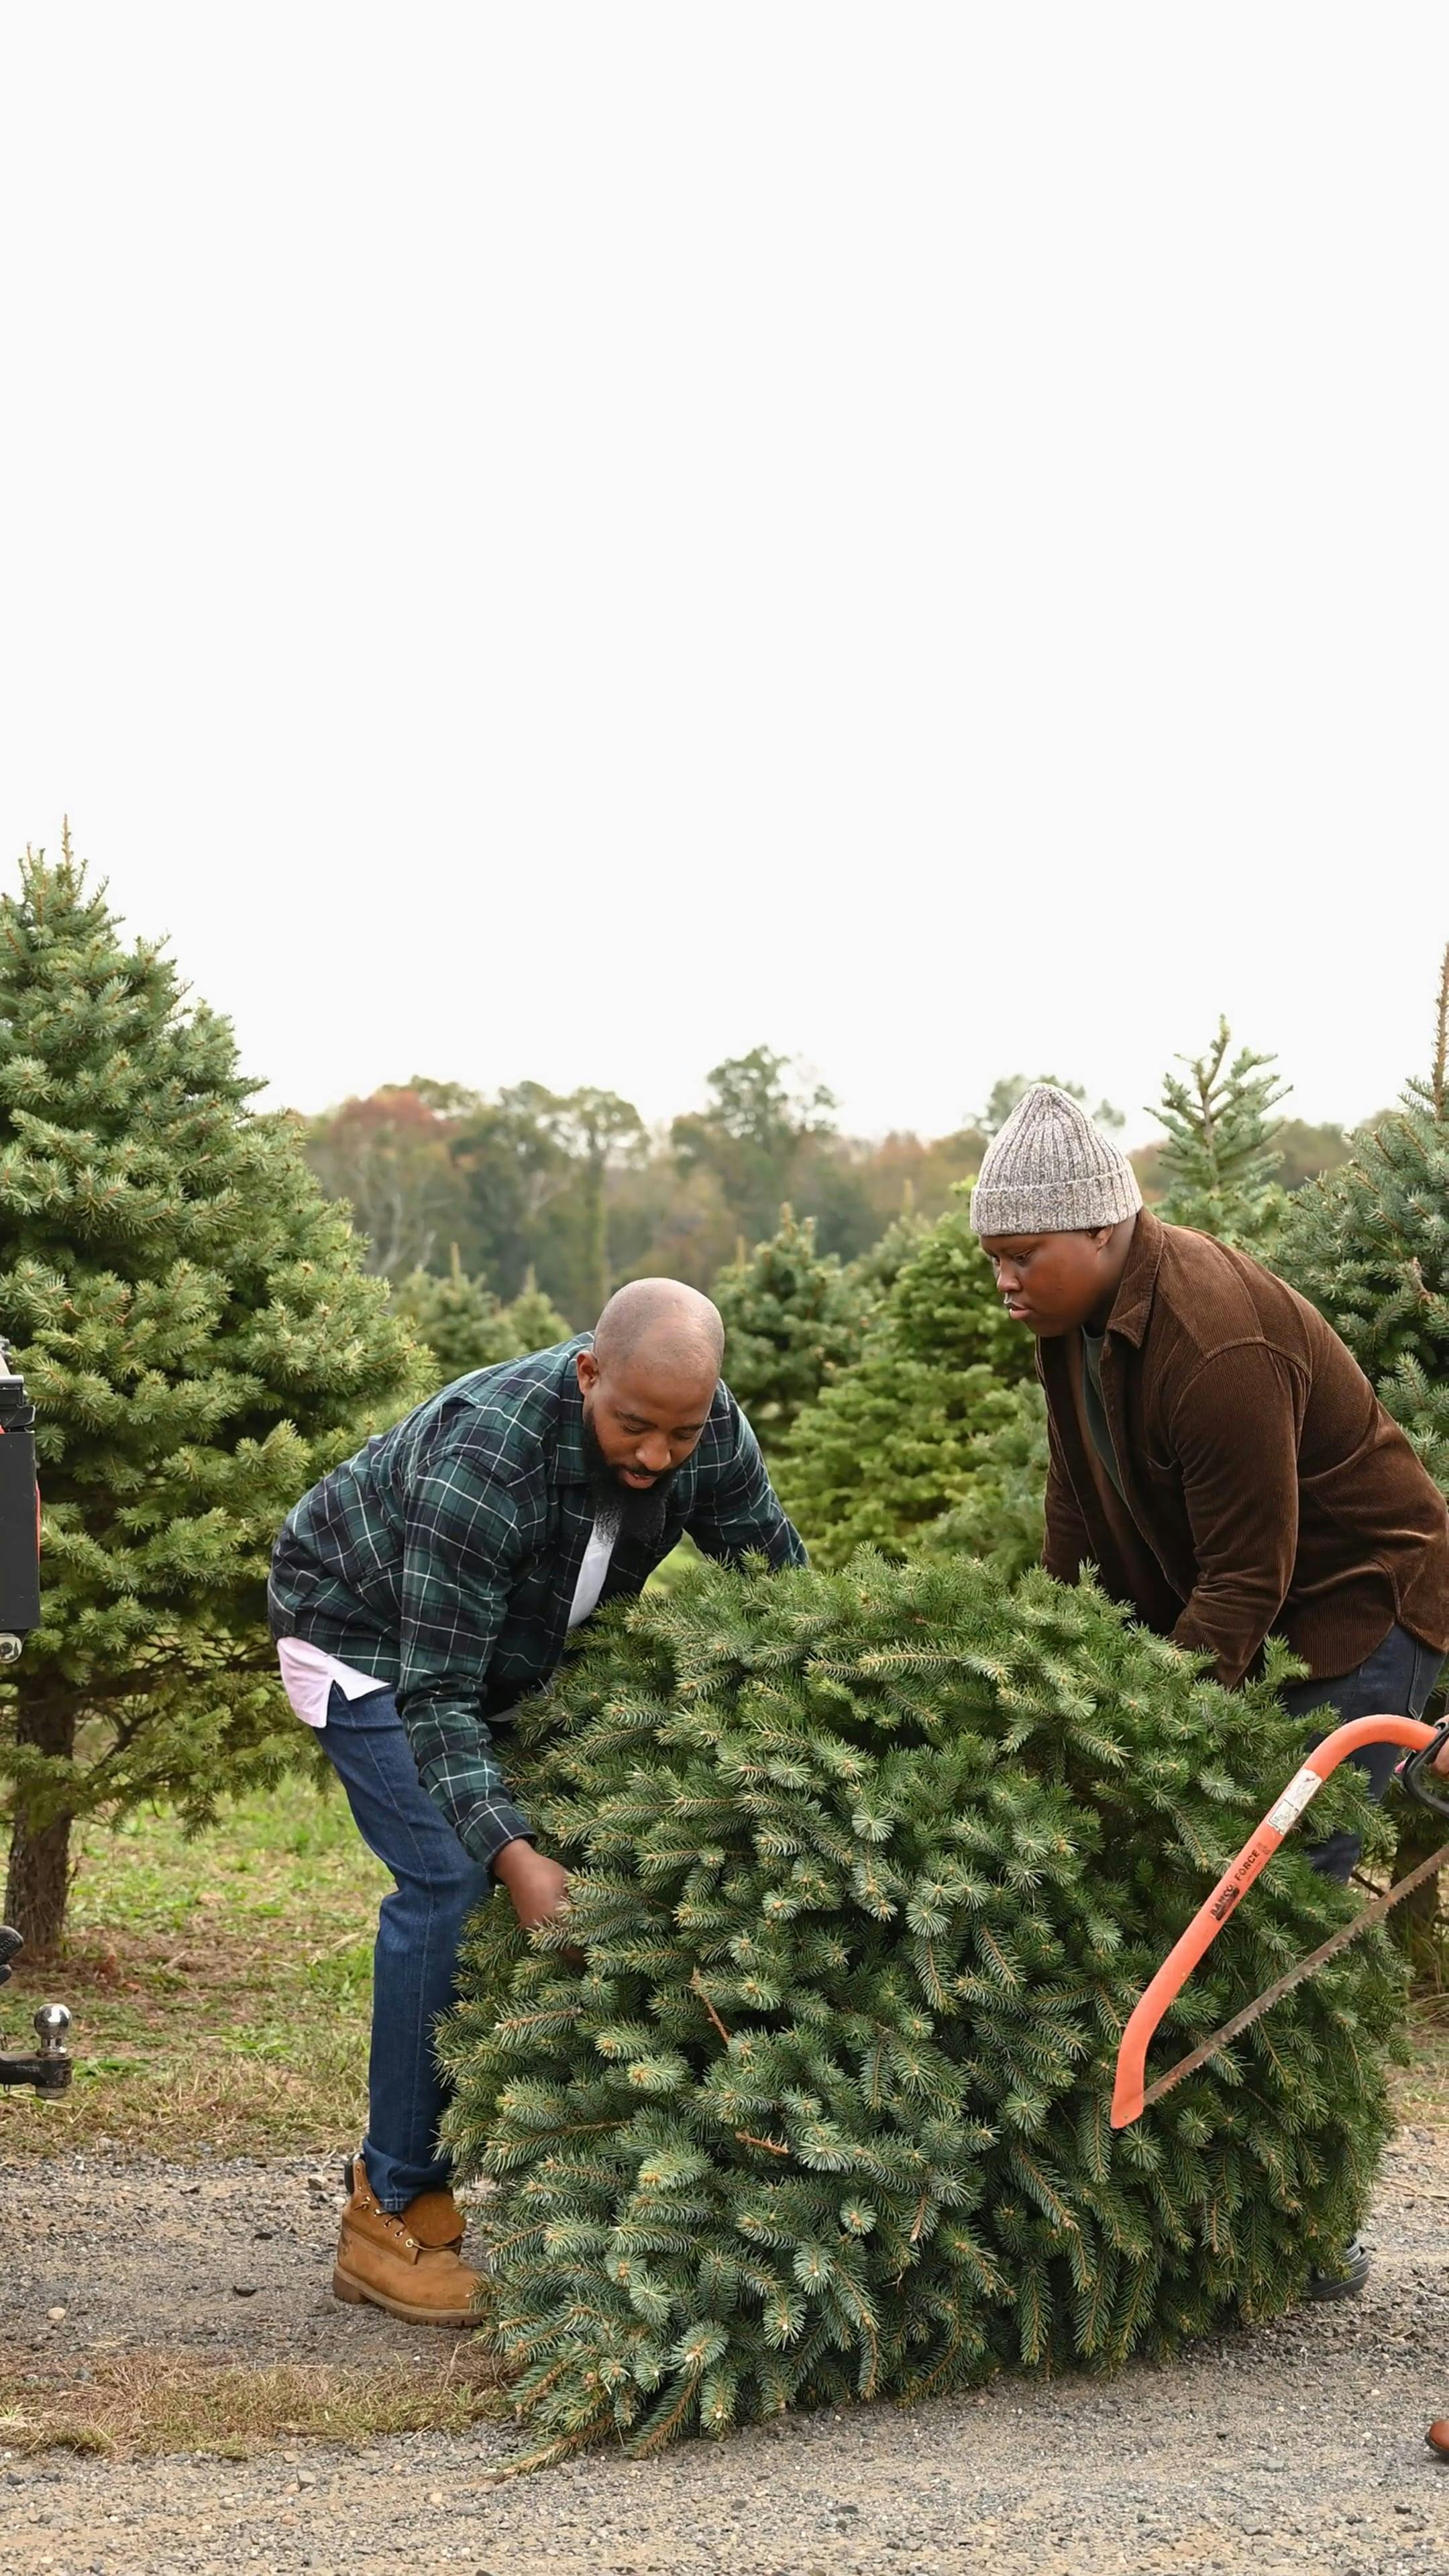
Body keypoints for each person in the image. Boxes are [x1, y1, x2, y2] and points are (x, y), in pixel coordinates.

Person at [971, 1084, 1449, 2298]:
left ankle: (1309, 2217)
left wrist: (1151, 1731)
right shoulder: (1070, 1328)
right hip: (1256, 1614)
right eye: (994, 1260)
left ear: (1101, 1232)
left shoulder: (1214, 1336)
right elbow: (1076, 1499)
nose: (1007, 1283)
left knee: (1278, 1906)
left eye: (1023, 1258)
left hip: (1357, 1617)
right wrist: (1058, 1669)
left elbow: (1251, 1576)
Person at [268, 1278, 806, 2325]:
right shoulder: (490, 1457)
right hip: (363, 1637)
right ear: (588, 1372)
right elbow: (436, 1695)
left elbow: (776, 1585)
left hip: (508, 1651)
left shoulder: (709, 1428)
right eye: (633, 1426)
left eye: (682, 1433)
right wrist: (515, 1855)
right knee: (452, 1876)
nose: (656, 1456)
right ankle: (391, 2207)